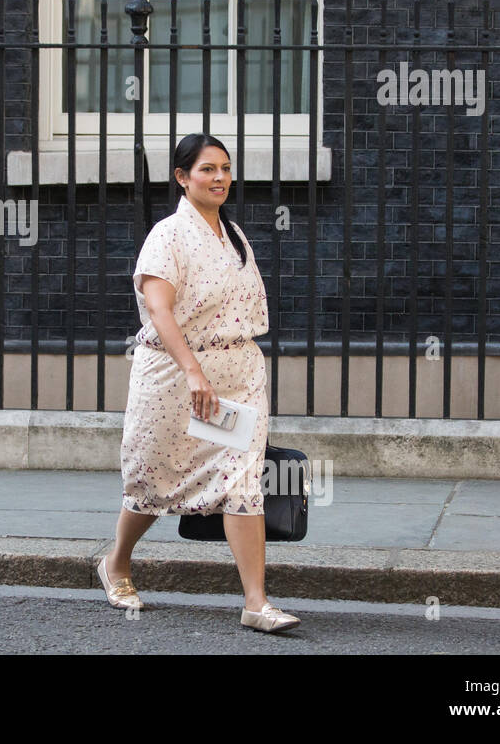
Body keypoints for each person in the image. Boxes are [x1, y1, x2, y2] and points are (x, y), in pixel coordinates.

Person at [96, 132, 301, 633]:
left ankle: (256, 603)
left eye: (225, 168)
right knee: (152, 482)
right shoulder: (167, 235)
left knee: (242, 481)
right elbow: (160, 311)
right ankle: (116, 562)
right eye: (208, 169)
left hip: (238, 377)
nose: (220, 178)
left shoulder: (233, 235)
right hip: (175, 378)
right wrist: (193, 371)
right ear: (182, 177)